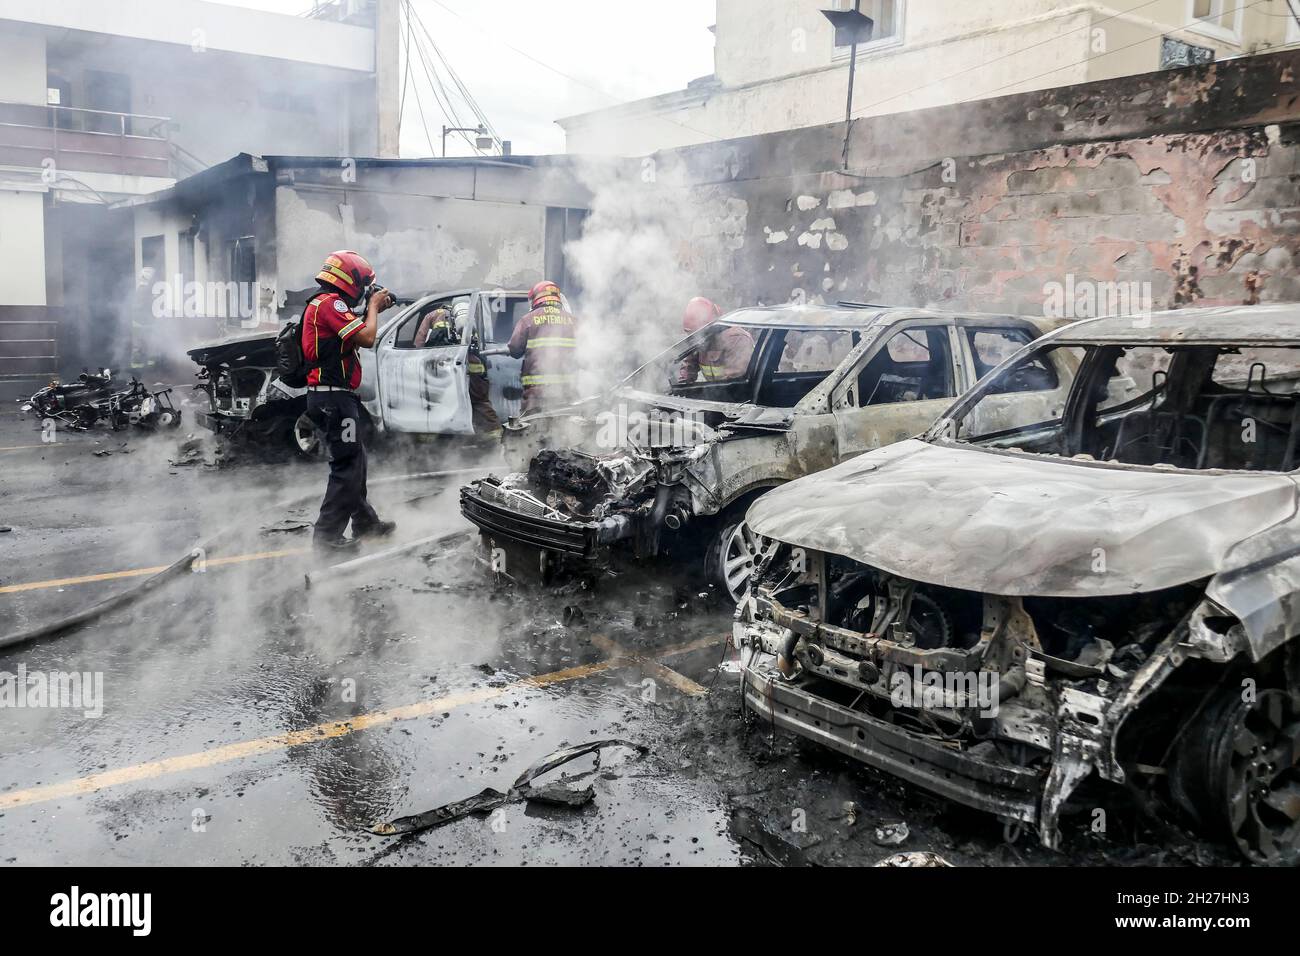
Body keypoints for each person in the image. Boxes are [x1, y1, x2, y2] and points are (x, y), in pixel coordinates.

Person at [301, 250, 397, 552]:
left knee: (357, 460)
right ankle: (326, 539)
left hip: (334, 397)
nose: (365, 289)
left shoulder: (325, 304)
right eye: (364, 284)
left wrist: (372, 308)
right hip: (332, 398)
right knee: (347, 466)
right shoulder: (330, 304)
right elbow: (367, 338)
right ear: (350, 281)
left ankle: (366, 523)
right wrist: (372, 305)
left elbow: (355, 331)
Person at [507, 280, 579, 414]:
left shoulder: (528, 320)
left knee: (531, 430)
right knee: (565, 428)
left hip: (536, 394)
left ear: (536, 298)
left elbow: (514, 349)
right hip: (566, 392)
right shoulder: (574, 321)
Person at [676, 297, 753, 384]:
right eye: (691, 334)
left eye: (697, 334)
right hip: (714, 392)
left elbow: (734, 382)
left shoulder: (736, 339)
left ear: (712, 327)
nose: (695, 338)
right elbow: (688, 369)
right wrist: (681, 388)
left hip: (736, 394)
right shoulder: (699, 340)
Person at [455, 301, 502, 439]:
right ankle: (494, 440)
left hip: (469, 364)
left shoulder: (448, 320)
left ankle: (496, 443)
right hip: (474, 363)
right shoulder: (467, 323)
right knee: (480, 403)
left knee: (479, 402)